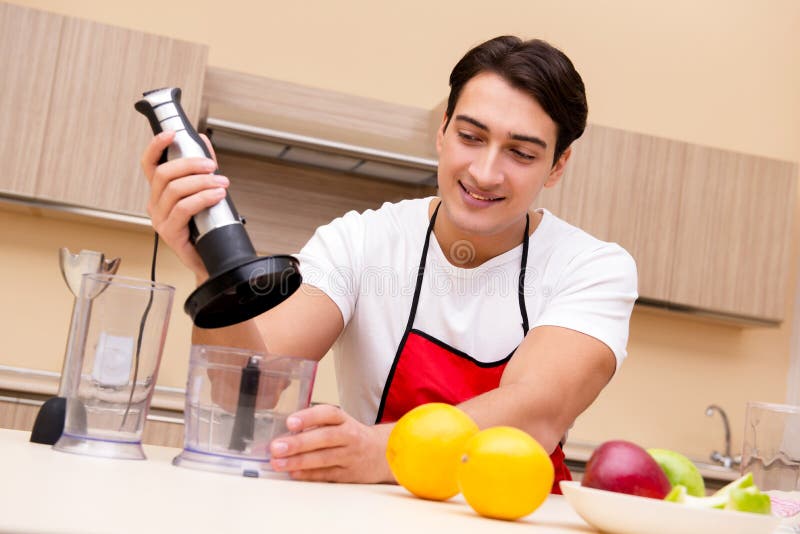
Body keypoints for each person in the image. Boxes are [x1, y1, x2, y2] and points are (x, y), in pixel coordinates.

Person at [140, 35, 637, 492]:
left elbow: (538, 410)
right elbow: (247, 392)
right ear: (442, 131)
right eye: (470, 136)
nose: (486, 172)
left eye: (521, 153)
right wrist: (214, 273)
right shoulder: (360, 242)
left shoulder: (592, 268)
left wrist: (378, 450)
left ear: (557, 166)